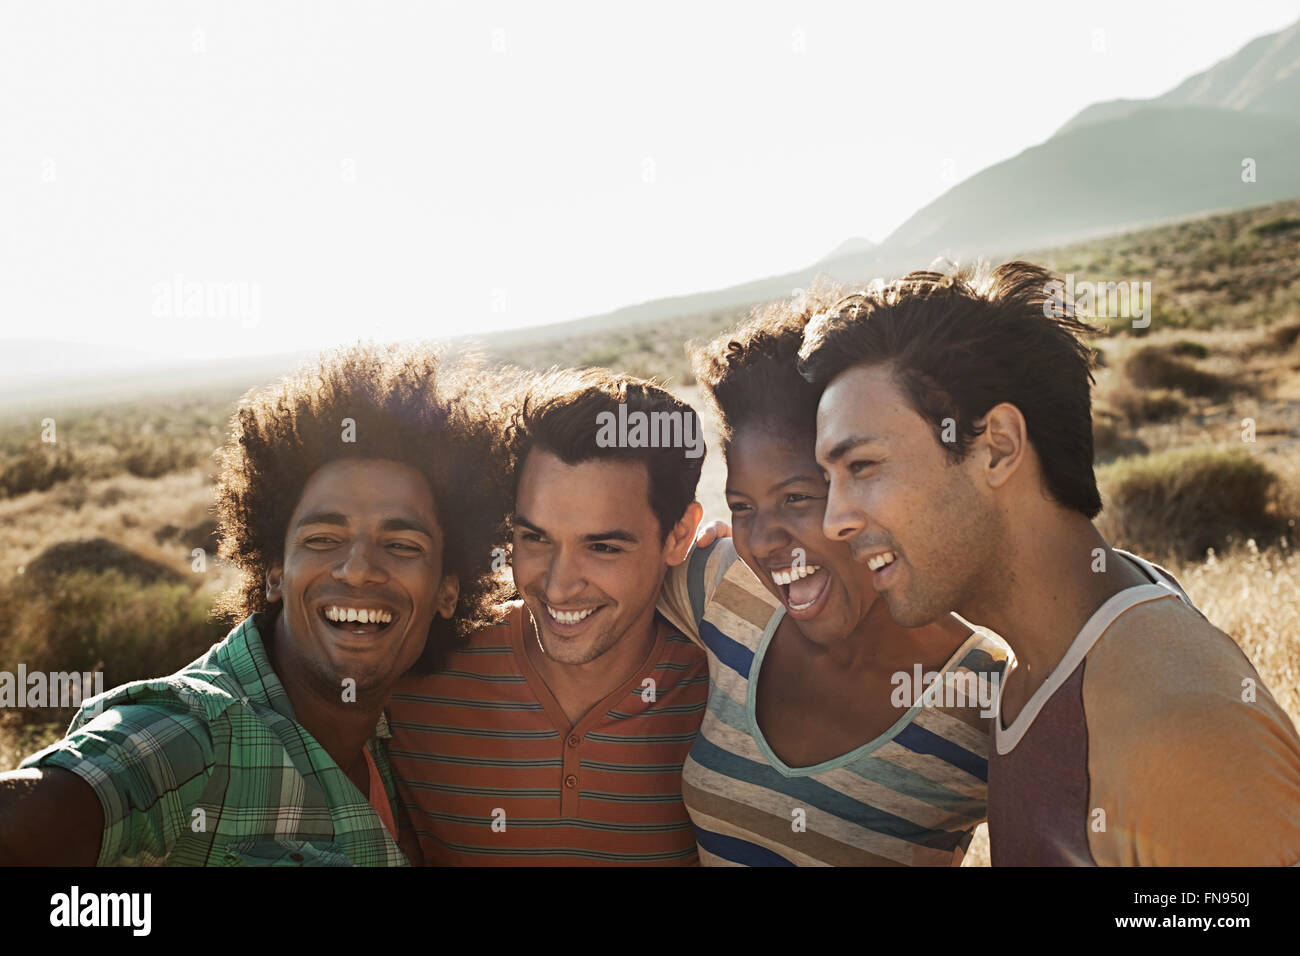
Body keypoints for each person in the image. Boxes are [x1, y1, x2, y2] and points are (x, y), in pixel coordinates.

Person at [798, 261, 1300, 865]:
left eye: (863, 468)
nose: (835, 521)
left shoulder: (1180, 727)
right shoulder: (1044, 655)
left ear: (999, 447)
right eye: (828, 480)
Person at [0, 344, 511, 866]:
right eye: (322, 538)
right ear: (274, 572)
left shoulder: (405, 741)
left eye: (402, 546)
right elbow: (36, 815)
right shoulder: (197, 734)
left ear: (448, 589)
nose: (358, 568)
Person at [654, 291, 1008, 866]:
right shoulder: (720, 589)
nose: (764, 541)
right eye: (743, 507)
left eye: (797, 498)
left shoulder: (986, 697)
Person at [387, 369, 709, 865]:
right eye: (534, 538)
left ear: (680, 534)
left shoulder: (723, 697)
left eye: (602, 547)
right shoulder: (415, 678)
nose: (557, 586)